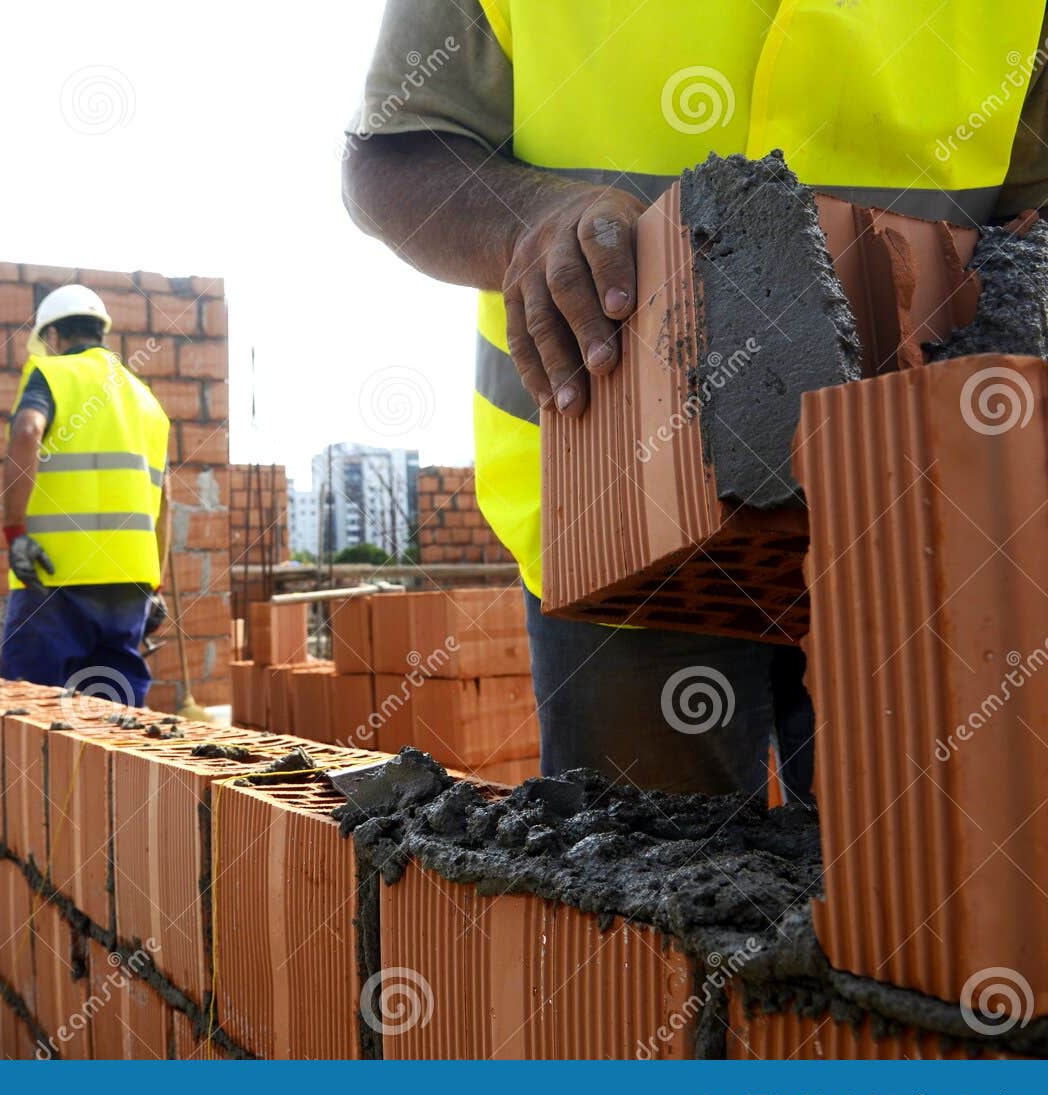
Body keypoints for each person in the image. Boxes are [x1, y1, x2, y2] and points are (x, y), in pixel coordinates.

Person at [342, 1, 1048, 798]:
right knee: (647, 890)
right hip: (617, 523)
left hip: (930, 524)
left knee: (934, 894)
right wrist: (530, 222)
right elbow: (392, 157)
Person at [0, 284, 171, 705]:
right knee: (115, 716)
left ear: (53, 337)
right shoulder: (144, 398)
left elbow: (26, 432)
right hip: (129, 585)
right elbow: (165, 500)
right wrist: (157, 584)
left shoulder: (53, 373)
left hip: (55, 577)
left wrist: (14, 533)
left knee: (33, 709)